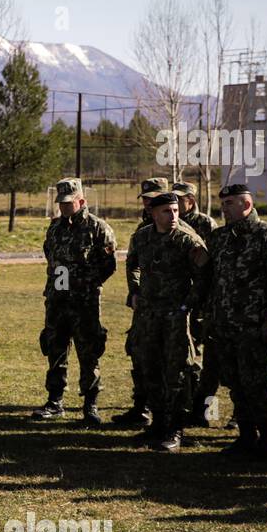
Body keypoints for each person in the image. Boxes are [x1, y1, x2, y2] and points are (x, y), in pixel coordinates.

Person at [204, 184, 267, 459]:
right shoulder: (219, 238)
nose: (224, 208)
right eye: (223, 203)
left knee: (256, 383)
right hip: (224, 325)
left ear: (247, 204)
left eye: (230, 203)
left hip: (252, 326)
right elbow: (211, 281)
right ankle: (246, 437)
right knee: (235, 383)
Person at [124, 191, 210, 452]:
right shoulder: (143, 237)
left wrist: (187, 304)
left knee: (176, 372)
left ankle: (175, 429)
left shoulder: (187, 239)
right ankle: (158, 424)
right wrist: (135, 291)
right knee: (148, 367)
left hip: (175, 317)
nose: (173, 215)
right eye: (166, 211)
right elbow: (132, 264)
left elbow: (205, 276)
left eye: (175, 210)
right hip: (148, 315)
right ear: (153, 213)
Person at [29, 177, 117, 424]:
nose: (64, 207)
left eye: (69, 203)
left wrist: (86, 285)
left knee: (88, 353)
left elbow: (108, 265)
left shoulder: (98, 228)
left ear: (82, 201)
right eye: (61, 203)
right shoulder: (55, 228)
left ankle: (90, 405)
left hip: (84, 304)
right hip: (57, 301)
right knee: (55, 350)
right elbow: (51, 256)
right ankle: (55, 402)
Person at [112, 177, 170, 427]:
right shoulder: (143, 230)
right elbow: (132, 262)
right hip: (146, 305)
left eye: (153, 198)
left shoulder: (178, 226)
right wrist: (134, 291)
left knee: (174, 361)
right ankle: (142, 408)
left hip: (172, 307)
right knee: (139, 353)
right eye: (145, 199)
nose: (147, 203)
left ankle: (176, 415)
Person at [173, 180, 221, 426]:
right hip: (180, 299)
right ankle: (189, 405)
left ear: (190, 201)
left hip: (201, 300)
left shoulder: (205, 224)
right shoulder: (169, 222)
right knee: (184, 356)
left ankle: (208, 411)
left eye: (180, 199)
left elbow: (209, 263)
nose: (176, 203)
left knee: (202, 358)